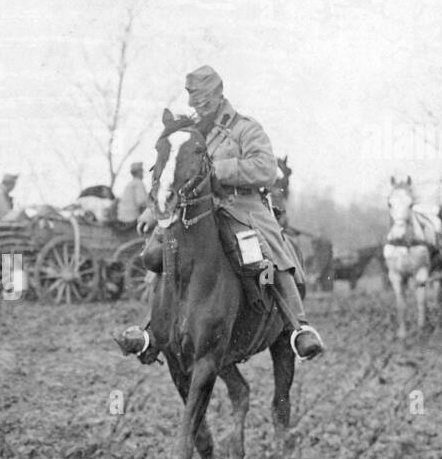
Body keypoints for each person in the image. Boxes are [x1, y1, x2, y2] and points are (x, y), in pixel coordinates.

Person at [115, 65, 324, 361]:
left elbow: (266, 169)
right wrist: (156, 209)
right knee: (155, 254)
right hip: (196, 211)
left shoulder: (245, 128)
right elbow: (173, 172)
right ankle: (153, 331)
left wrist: (219, 171)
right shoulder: (190, 130)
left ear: (218, 94)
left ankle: (299, 328)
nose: (196, 104)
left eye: (202, 97)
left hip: (242, 208)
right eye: (193, 98)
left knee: (266, 253)